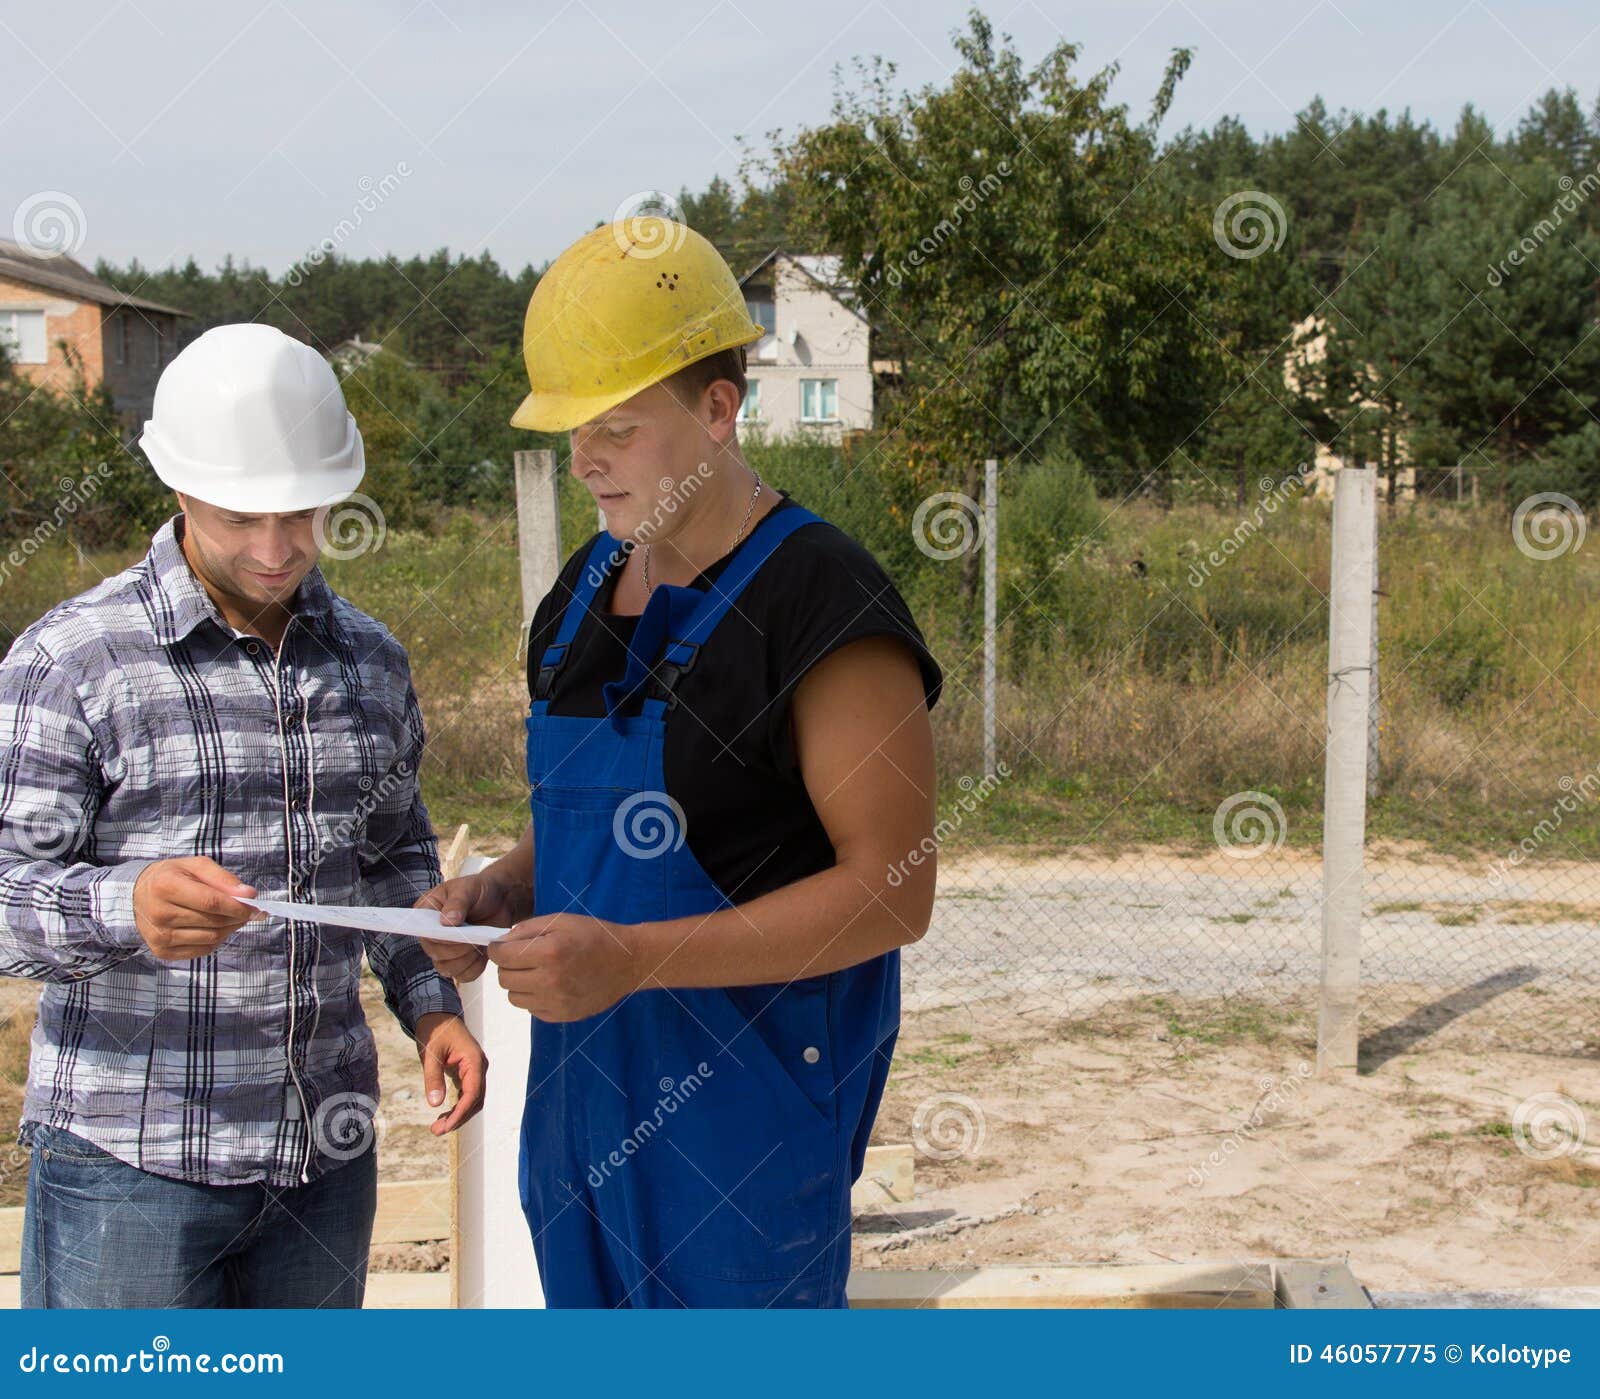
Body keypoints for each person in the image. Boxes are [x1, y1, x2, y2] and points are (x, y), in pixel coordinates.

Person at [417, 218, 941, 1307]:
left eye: (616, 426)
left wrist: (632, 959)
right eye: (572, 432)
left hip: (741, 1139)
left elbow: (894, 892)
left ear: (716, 408)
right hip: (576, 1127)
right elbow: (605, 825)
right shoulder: (580, 597)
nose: (585, 459)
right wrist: (500, 888)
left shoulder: (818, 601)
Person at [0, 322, 486, 1308]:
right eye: (240, 518)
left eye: (301, 515)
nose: (275, 551)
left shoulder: (369, 662)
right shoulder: (73, 663)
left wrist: (431, 1003)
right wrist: (123, 904)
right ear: (176, 486)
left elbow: (392, 858)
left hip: (323, 1163)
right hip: (129, 1169)